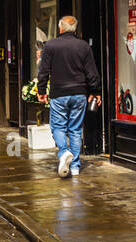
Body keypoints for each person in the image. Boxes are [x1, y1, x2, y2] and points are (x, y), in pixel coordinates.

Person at [36, 16, 102, 178]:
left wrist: (41, 90)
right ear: (75, 29)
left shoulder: (50, 45)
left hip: (59, 94)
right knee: (75, 129)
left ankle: (64, 152)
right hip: (79, 93)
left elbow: (43, 71)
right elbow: (91, 72)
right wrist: (95, 91)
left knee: (57, 127)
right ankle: (75, 167)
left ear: (61, 29)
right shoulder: (83, 46)